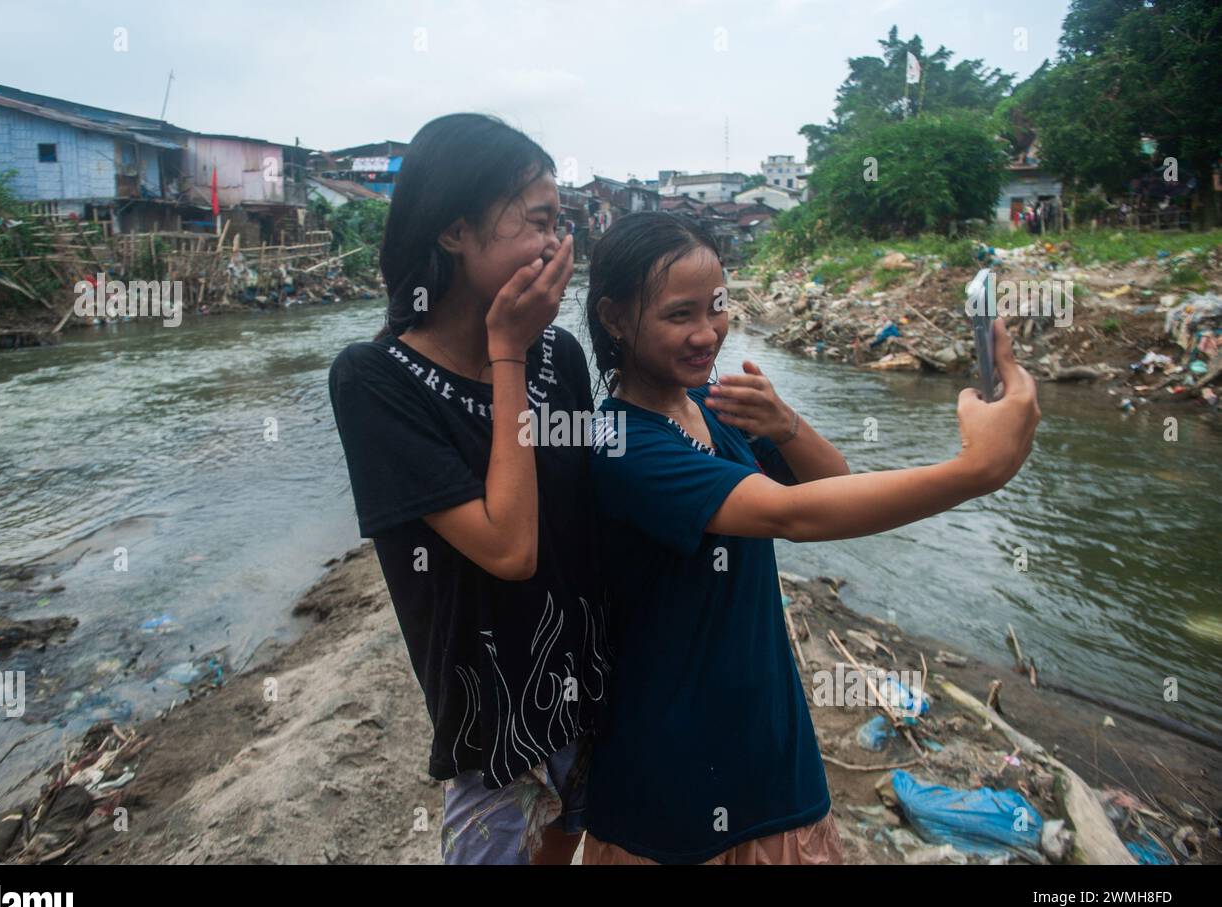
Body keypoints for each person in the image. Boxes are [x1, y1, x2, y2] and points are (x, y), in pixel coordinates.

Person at [580, 211, 1040, 865]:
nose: (707, 332)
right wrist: (976, 471)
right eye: (679, 314)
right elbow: (791, 515)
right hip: (673, 773)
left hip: (771, 746)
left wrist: (785, 421)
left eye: (716, 306)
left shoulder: (716, 404)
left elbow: (833, 479)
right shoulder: (620, 441)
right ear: (615, 318)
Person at [328, 114, 607, 864]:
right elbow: (508, 546)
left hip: (587, 688)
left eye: (561, 222)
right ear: (454, 230)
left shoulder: (561, 354)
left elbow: (589, 511)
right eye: (538, 221)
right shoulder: (375, 380)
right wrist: (507, 352)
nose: (556, 246)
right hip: (493, 724)